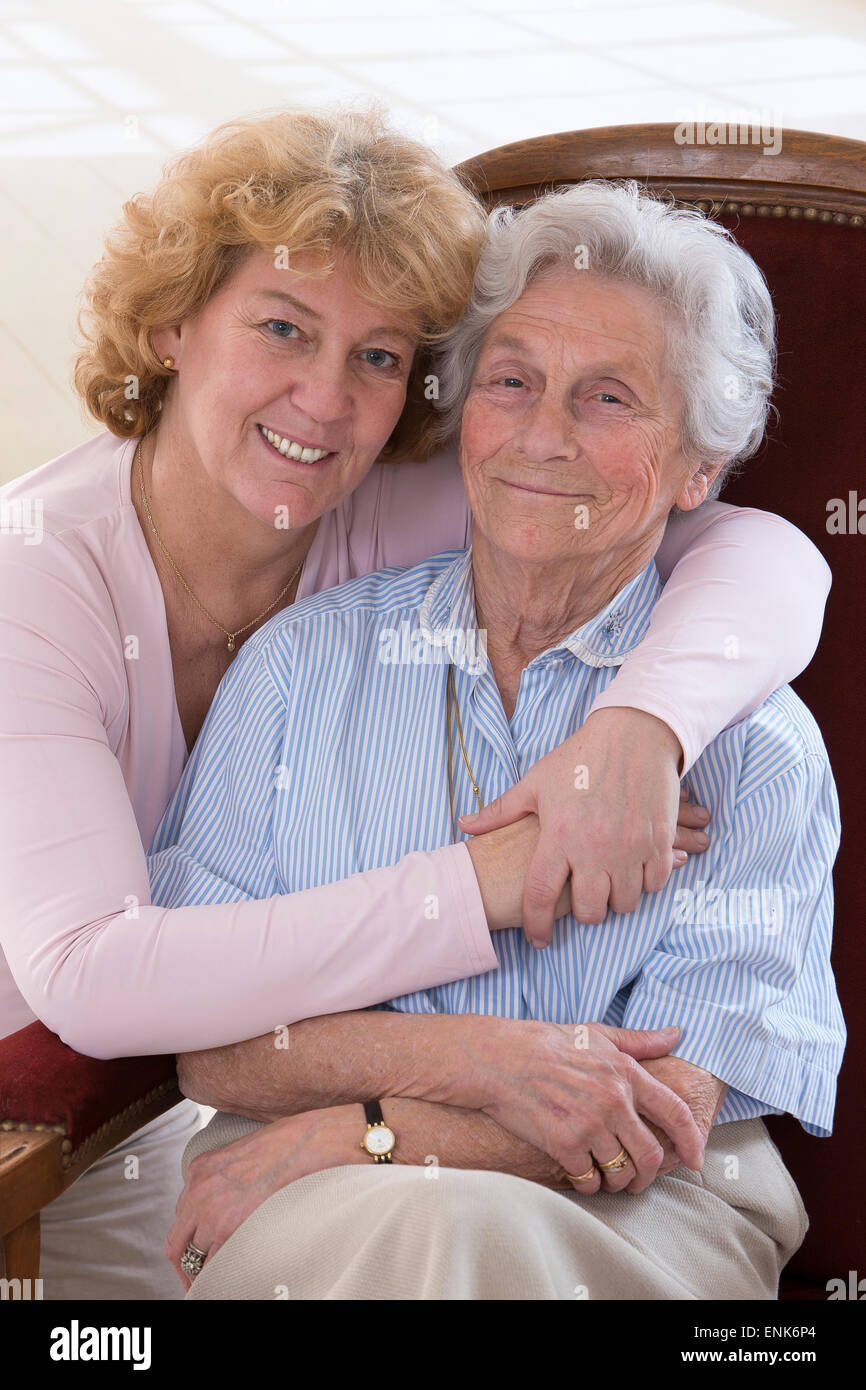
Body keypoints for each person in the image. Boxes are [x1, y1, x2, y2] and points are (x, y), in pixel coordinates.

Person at [0, 108, 829, 1302]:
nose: (323, 398)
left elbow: (767, 553)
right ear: (173, 326)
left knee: (436, 1239)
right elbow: (144, 1004)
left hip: (631, 1205)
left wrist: (640, 729)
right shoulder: (260, 647)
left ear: (697, 462)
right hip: (63, 1102)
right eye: (281, 327)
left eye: (379, 357)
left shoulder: (739, 731)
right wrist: (483, 922)